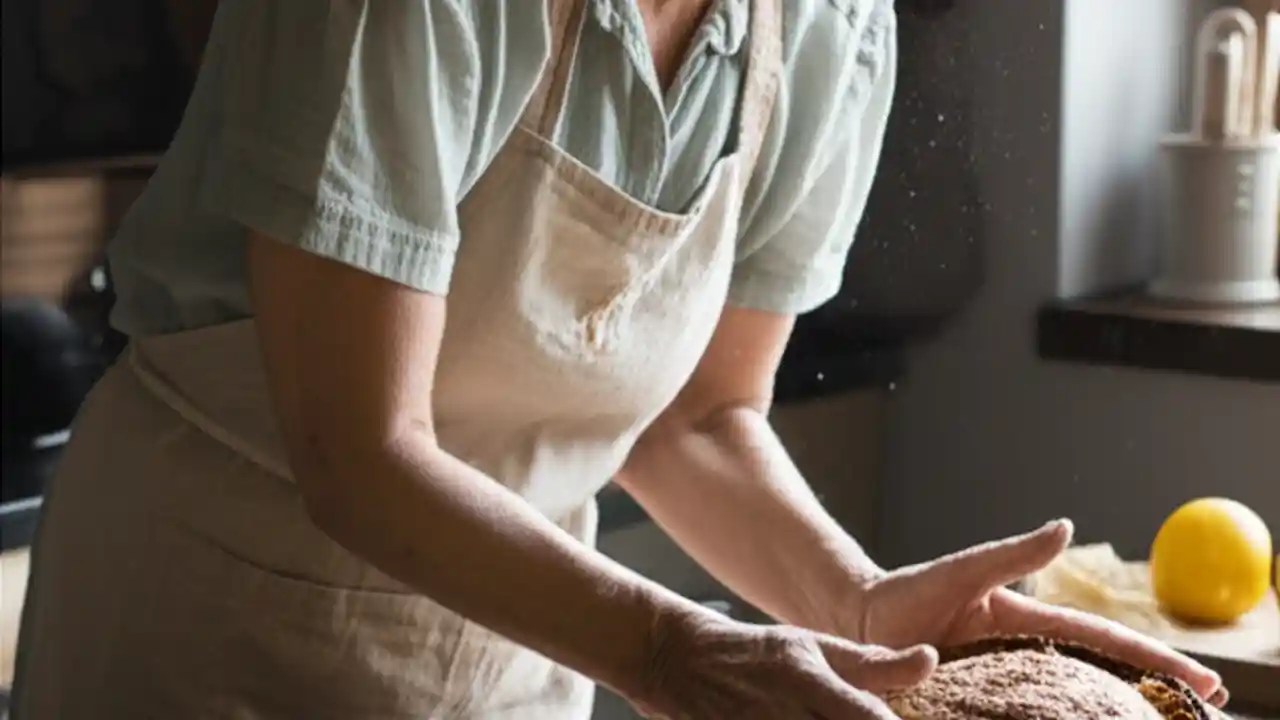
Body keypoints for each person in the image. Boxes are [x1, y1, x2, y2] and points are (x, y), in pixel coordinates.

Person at [13, 1, 1225, 718]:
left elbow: (694, 417)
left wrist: (852, 601)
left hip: (523, 640)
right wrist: (668, 651)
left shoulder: (823, 26)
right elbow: (357, 447)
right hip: (211, 622)